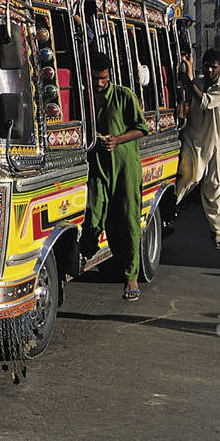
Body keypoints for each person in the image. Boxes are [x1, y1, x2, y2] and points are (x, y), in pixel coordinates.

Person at [79, 51, 150, 301]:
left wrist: (117, 139)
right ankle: (86, 251)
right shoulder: (83, 97)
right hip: (98, 165)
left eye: (103, 79)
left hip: (125, 167)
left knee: (129, 221)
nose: (99, 83)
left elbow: (142, 128)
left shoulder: (124, 96)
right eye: (96, 78)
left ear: (109, 76)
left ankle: (131, 276)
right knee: (95, 213)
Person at [178, 48, 220, 249]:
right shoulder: (199, 82)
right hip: (193, 137)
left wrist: (188, 80)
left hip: (214, 140)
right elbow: (191, 90)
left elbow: (204, 101)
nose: (210, 70)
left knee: (214, 184)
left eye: (214, 67)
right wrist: (189, 72)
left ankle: (218, 230)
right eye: (207, 65)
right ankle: (172, 206)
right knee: (189, 174)